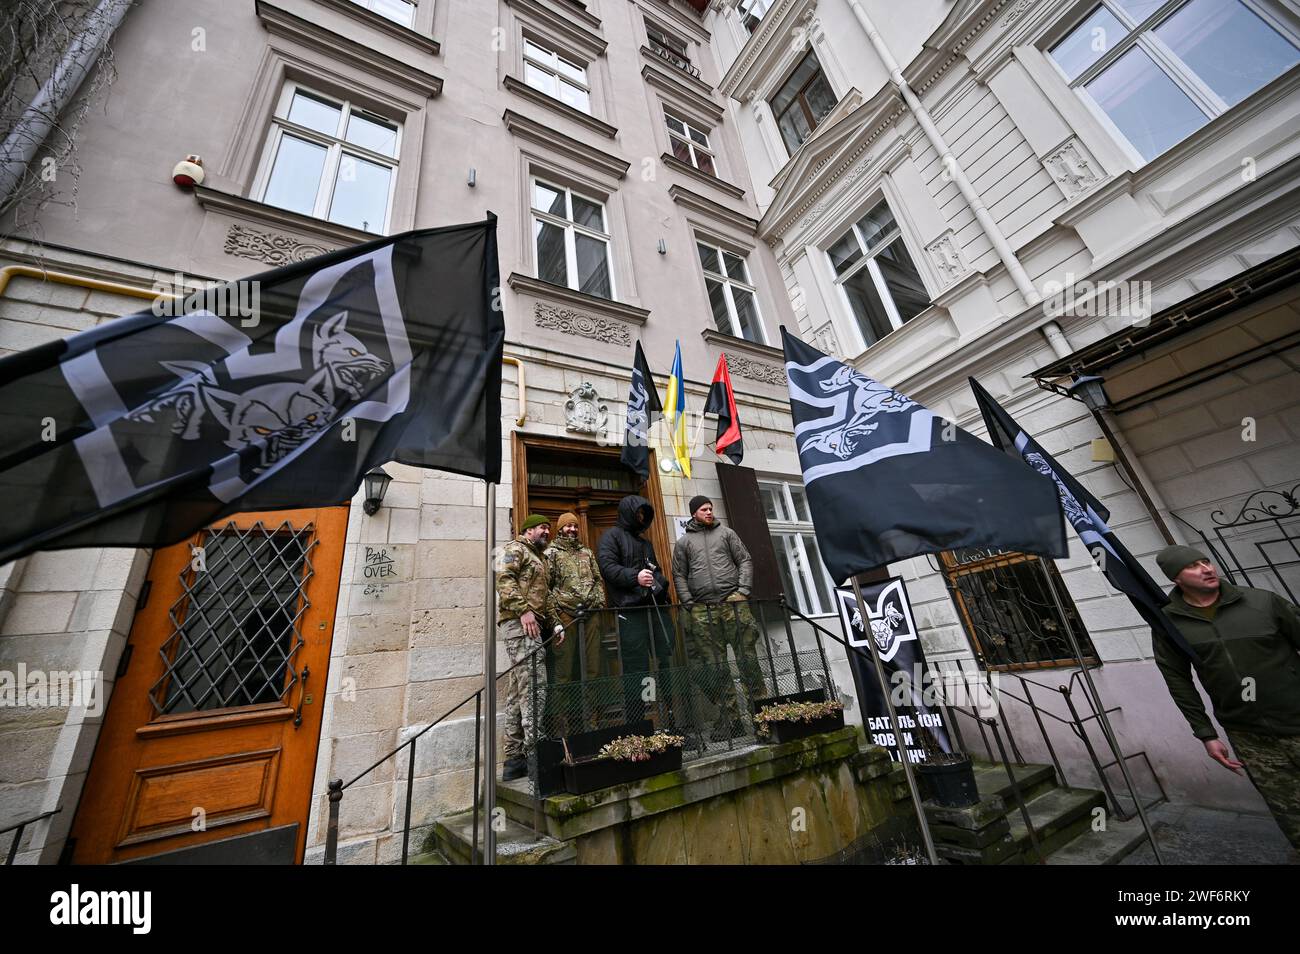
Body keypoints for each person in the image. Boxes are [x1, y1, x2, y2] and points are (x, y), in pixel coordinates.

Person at [1152, 544, 1300, 850]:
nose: (1207, 568)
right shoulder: (1170, 624)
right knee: (1290, 811)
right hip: (1250, 735)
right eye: (1193, 566)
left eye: (1206, 561)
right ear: (1176, 578)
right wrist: (1205, 733)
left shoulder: (1262, 602)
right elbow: (1177, 679)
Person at [672, 495, 765, 740]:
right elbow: (679, 575)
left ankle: (762, 718)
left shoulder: (727, 534)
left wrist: (743, 591)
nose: (709, 512)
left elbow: (744, 559)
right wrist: (689, 603)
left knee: (748, 661)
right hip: (703, 609)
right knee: (716, 668)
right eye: (704, 509)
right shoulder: (684, 543)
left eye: (710, 508)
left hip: (733, 604)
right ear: (694, 513)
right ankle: (732, 721)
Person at [496, 514, 564, 781]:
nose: (546, 531)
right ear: (528, 530)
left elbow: (544, 597)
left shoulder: (540, 558)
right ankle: (536, 751)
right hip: (519, 624)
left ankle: (514, 759)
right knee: (534, 682)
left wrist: (556, 623)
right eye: (542, 527)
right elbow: (504, 580)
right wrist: (523, 611)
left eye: (548, 527)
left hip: (533, 625)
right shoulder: (514, 549)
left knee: (518, 689)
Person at [596, 495, 674, 724]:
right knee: (637, 670)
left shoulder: (645, 542)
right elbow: (608, 568)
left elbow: (656, 571)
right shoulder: (611, 537)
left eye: (644, 514)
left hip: (655, 612)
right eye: (638, 513)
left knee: (665, 662)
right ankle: (640, 723)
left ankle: (669, 718)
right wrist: (635, 577)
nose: (641, 518)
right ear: (628, 512)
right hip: (630, 614)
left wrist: (659, 585)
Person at [544, 512, 606, 734]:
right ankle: (561, 728)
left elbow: (598, 580)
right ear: (560, 529)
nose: (572, 529)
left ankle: (590, 723)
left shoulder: (586, 552)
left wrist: (598, 602)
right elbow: (546, 588)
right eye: (568, 526)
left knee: (593, 669)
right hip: (566, 616)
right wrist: (555, 617)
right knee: (563, 673)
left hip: (591, 616)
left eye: (575, 526)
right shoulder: (551, 553)